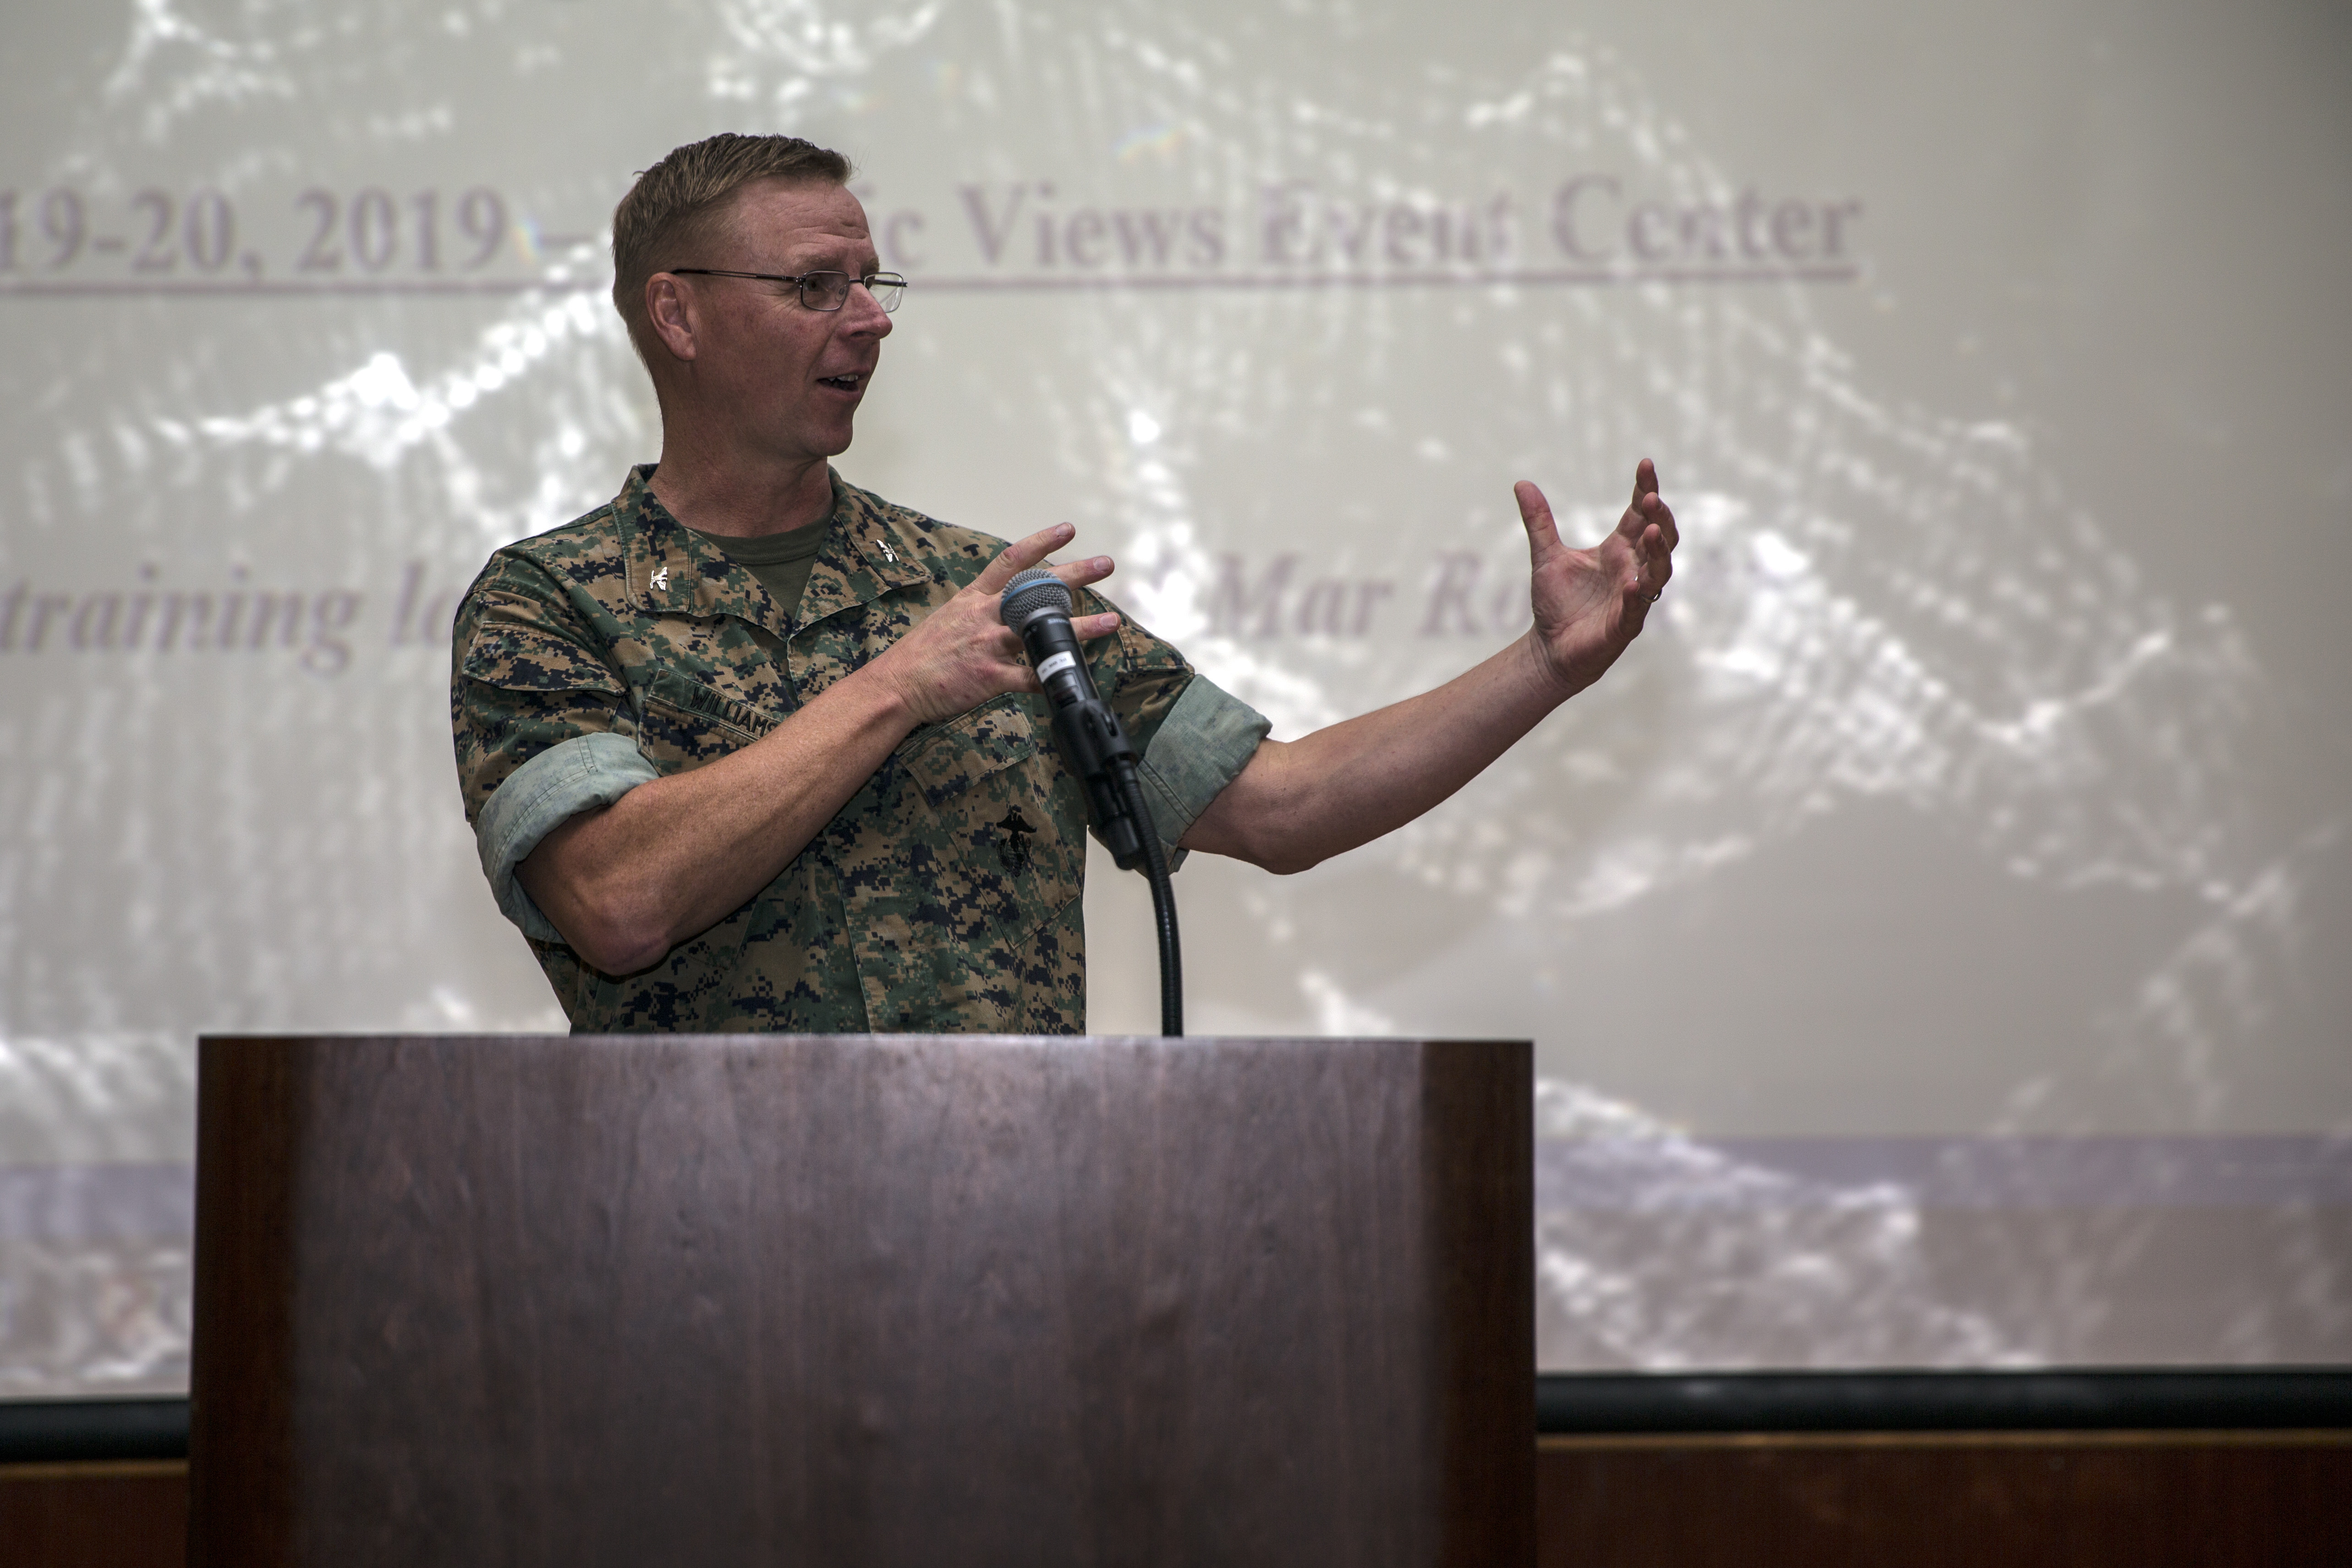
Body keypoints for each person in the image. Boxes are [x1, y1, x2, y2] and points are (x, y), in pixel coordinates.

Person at [450, 133, 1677, 1033]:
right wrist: (896, 688)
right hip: (701, 1244)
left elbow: (1285, 807)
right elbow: (616, 900)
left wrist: (1545, 667)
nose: (871, 321)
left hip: (1011, 1226)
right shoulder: (550, 603)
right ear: (677, 315)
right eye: (816, 287)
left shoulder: (986, 595)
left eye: (872, 283)